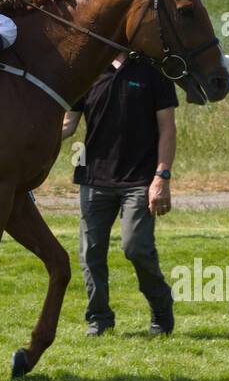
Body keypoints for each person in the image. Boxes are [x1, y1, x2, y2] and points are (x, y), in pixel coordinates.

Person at [61, 51, 178, 337]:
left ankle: (161, 310)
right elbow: (68, 124)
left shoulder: (154, 72)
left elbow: (167, 128)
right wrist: (27, 137)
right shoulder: (87, 70)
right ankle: (99, 319)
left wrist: (161, 177)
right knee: (90, 253)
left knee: (135, 247)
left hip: (139, 179)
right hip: (94, 180)